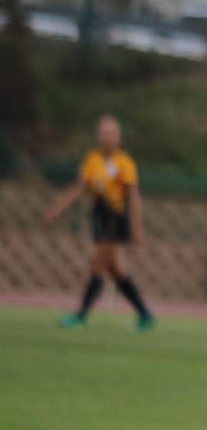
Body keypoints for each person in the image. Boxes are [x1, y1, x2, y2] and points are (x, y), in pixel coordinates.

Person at [43, 115, 156, 331]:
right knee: (116, 271)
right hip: (99, 216)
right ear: (98, 137)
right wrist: (57, 210)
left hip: (116, 219)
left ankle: (80, 316)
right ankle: (145, 314)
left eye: (111, 134)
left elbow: (133, 196)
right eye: (103, 133)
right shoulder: (92, 159)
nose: (107, 138)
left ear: (118, 137)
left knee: (97, 266)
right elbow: (79, 188)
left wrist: (137, 227)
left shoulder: (125, 162)